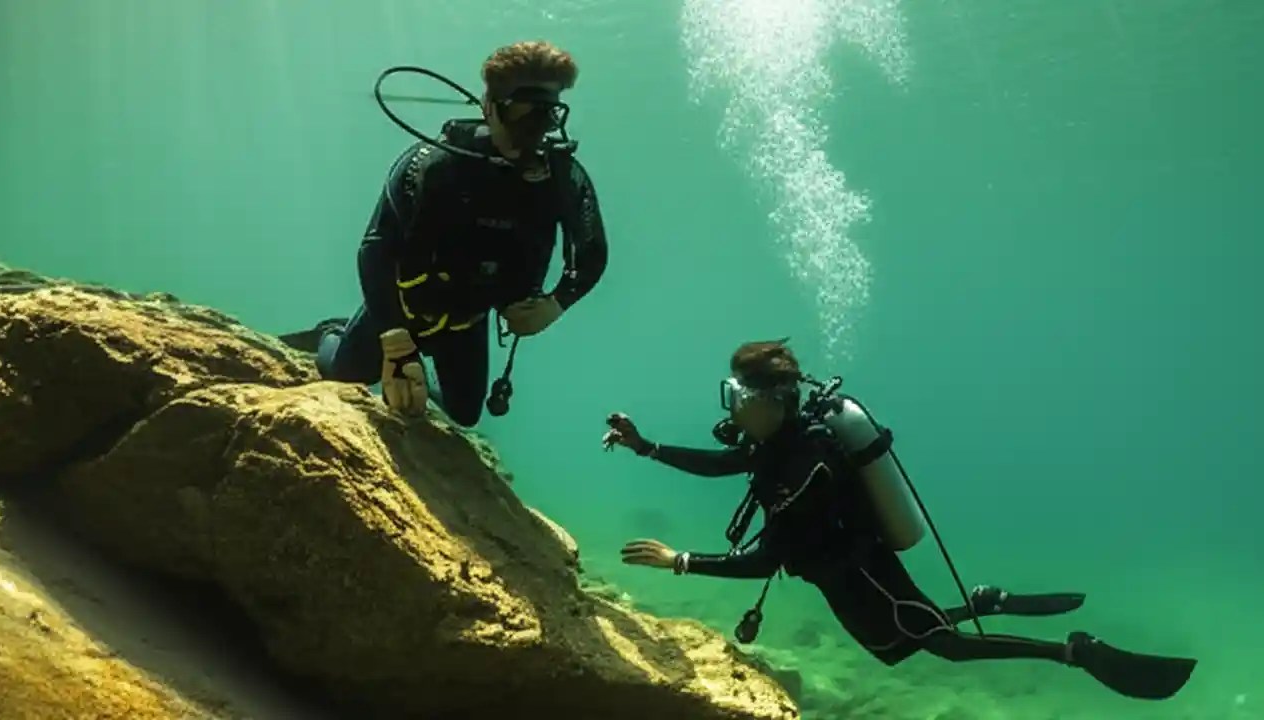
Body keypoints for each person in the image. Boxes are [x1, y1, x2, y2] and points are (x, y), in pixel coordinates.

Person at [601, 339, 1197, 702]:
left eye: (736, 397)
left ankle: (1073, 652)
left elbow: (764, 557)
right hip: (842, 580)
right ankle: (986, 600)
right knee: (918, 635)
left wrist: (678, 561)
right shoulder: (777, 445)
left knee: (944, 646)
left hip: (865, 576)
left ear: (770, 401)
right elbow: (722, 464)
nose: (730, 410)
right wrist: (646, 447)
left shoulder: (806, 464)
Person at [281, 40, 608, 427]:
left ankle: (421, 366)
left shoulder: (563, 178)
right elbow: (375, 249)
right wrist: (395, 342)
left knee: (466, 415)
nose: (533, 130)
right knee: (340, 375)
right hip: (403, 307)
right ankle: (332, 330)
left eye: (546, 114)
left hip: (467, 320)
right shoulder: (435, 166)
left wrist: (557, 304)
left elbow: (592, 252)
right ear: (489, 106)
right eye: (522, 111)